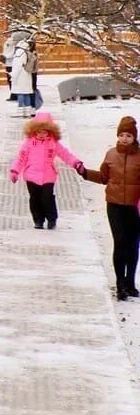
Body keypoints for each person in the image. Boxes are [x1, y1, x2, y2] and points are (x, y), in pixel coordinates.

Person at [81, 117, 140, 300]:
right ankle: (119, 284)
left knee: (133, 245)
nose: (124, 138)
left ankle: (130, 283)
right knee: (120, 242)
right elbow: (103, 177)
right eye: (121, 135)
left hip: (133, 207)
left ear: (134, 137)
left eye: (128, 135)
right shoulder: (110, 155)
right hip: (114, 205)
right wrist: (84, 172)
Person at [10, 112, 83, 230]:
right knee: (35, 199)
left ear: (50, 132)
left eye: (44, 132)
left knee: (47, 198)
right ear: (34, 131)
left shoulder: (53, 143)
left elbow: (65, 154)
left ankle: (51, 219)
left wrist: (76, 163)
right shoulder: (28, 143)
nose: (41, 135)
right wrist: (15, 171)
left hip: (48, 176)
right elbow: (21, 158)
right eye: (39, 132)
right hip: (31, 176)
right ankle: (38, 220)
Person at [10, 37, 35, 116]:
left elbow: (17, 66)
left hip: (20, 75)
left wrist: (13, 76)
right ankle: (28, 111)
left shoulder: (19, 52)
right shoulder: (27, 51)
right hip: (27, 74)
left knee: (20, 93)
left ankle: (20, 111)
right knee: (26, 93)